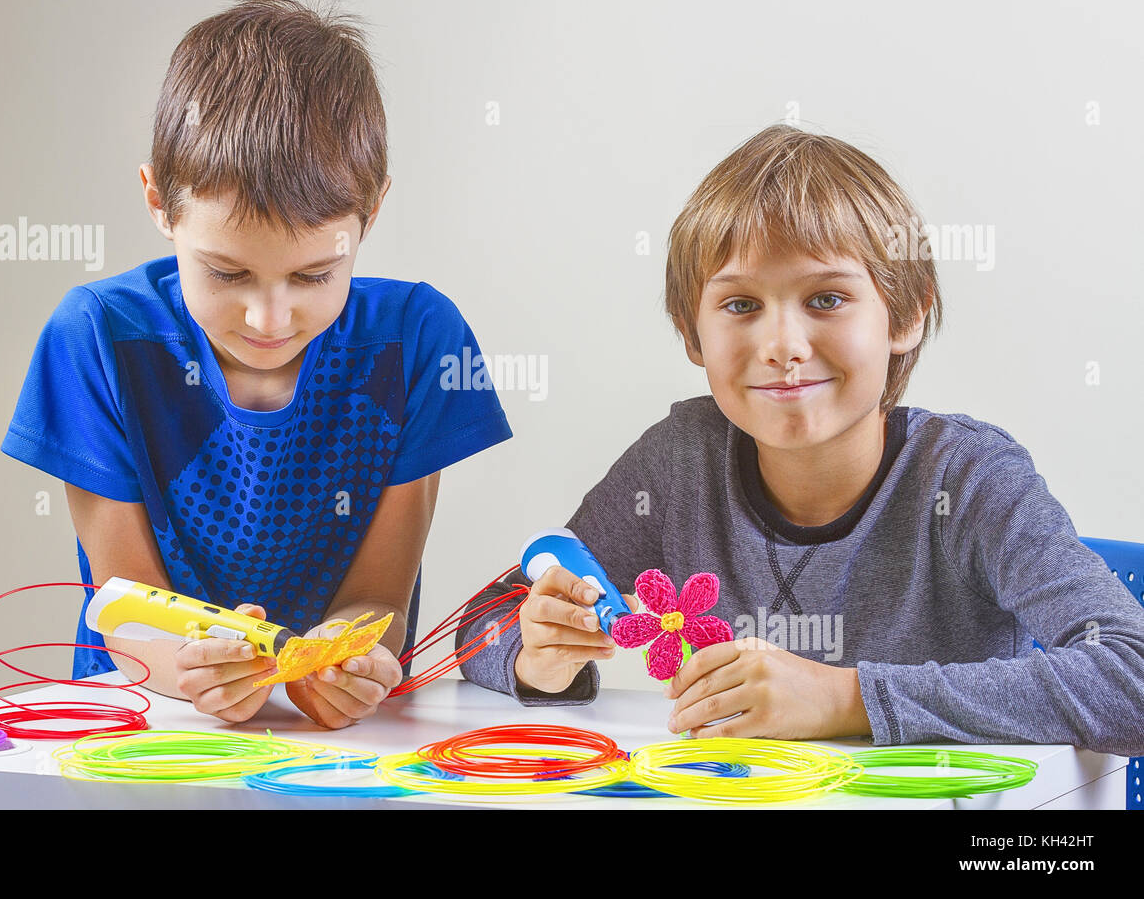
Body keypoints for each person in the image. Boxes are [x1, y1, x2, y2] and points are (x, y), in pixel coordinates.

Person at [457, 125, 1144, 756]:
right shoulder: (679, 463)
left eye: (825, 299)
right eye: (741, 305)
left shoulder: (969, 479)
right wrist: (536, 657)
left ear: (904, 314)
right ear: (692, 334)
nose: (783, 346)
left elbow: (1131, 677)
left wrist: (847, 698)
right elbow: (479, 625)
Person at [2, 0, 512, 728]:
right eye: (227, 273)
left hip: (341, 745)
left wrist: (349, 656)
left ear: (373, 210)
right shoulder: (96, 340)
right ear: (157, 201)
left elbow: (379, 599)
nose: (269, 319)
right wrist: (192, 671)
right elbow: (124, 605)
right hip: (141, 726)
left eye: (312, 276)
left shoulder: (418, 339)